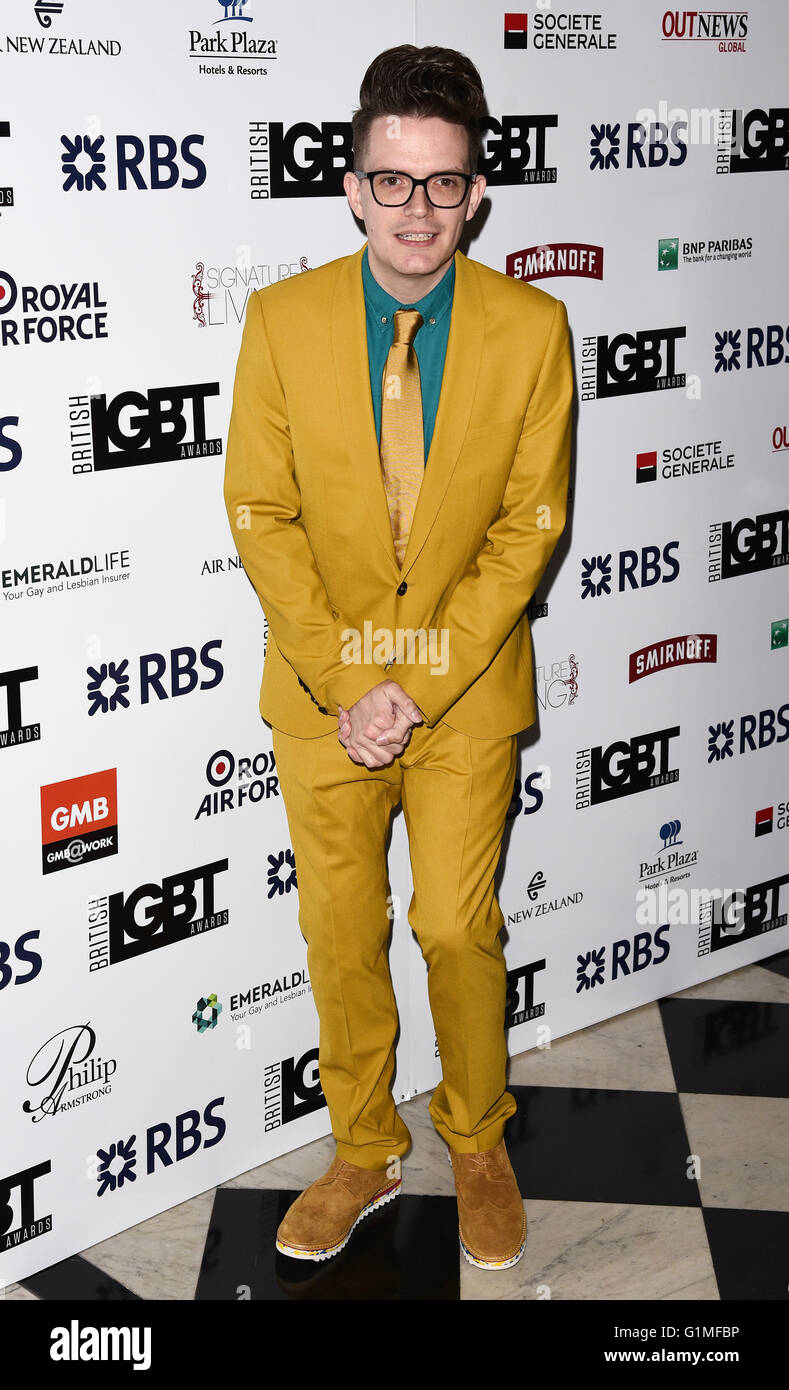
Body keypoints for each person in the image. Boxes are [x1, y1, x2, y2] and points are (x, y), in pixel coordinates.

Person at [223, 43, 574, 1271]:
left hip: (462, 691)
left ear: (476, 194)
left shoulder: (535, 329)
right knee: (340, 928)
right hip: (322, 693)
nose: (416, 208)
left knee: (456, 928)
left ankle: (476, 1138)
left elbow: (528, 528)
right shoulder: (282, 321)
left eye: (442, 183)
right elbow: (261, 513)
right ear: (353, 188)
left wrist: (411, 684)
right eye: (392, 179)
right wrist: (346, 682)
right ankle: (364, 1147)